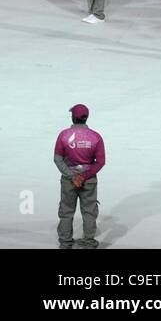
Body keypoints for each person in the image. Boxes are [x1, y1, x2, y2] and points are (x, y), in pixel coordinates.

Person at [54, 104, 105, 249]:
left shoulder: (63, 135)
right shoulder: (96, 137)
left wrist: (72, 175)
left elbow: (57, 158)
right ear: (86, 117)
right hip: (89, 180)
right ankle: (89, 242)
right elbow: (100, 162)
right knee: (89, 211)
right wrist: (84, 176)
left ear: (72, 117)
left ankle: (65, 242)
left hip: (68, 180)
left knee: (66, 210)